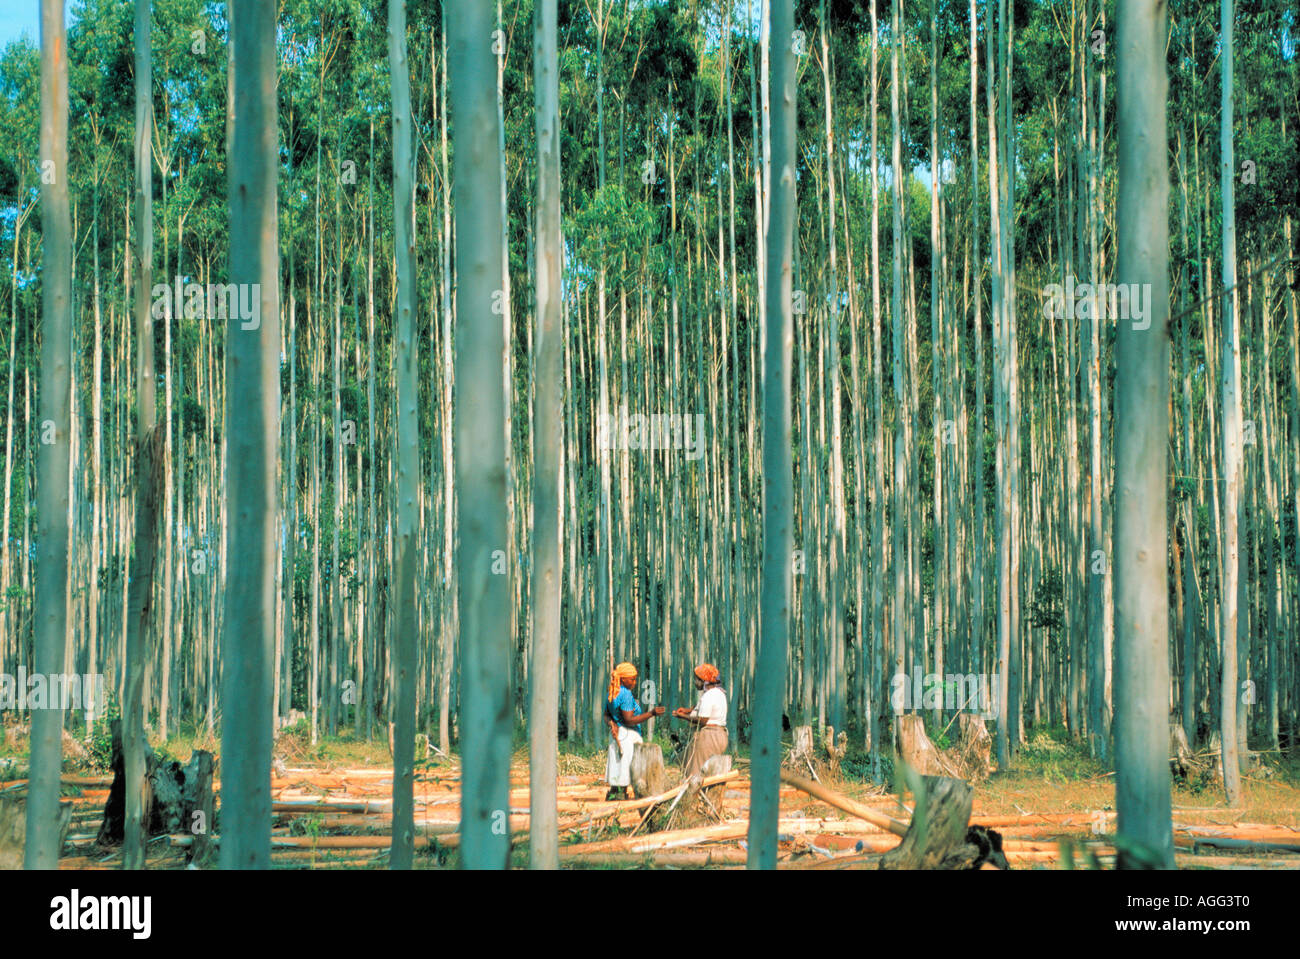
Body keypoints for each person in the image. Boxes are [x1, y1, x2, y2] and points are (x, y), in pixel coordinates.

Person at [605, 662, 664, 800]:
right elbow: (629, 720)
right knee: (627, 765)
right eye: (632, 679)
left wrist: (612, 724)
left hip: (617, 734)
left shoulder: (613, 691)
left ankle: (615, 793)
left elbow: (606, 714)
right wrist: (652, 713)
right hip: (626, 735)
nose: (634, 682)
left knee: (617, 763)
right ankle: (620, 795)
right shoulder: (625, 694)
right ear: (623, 679)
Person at [673, 664, 728, 780]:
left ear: (704, 681)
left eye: (697, 679)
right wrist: (688, 711)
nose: (694, 682)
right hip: (719, 735)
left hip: (709, 737)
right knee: (700, 767)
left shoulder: (709, 696)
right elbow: (705, 709)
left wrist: (682, 716)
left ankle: (694, 797)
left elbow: (703, 720)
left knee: (696, 772)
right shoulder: (718, 693)